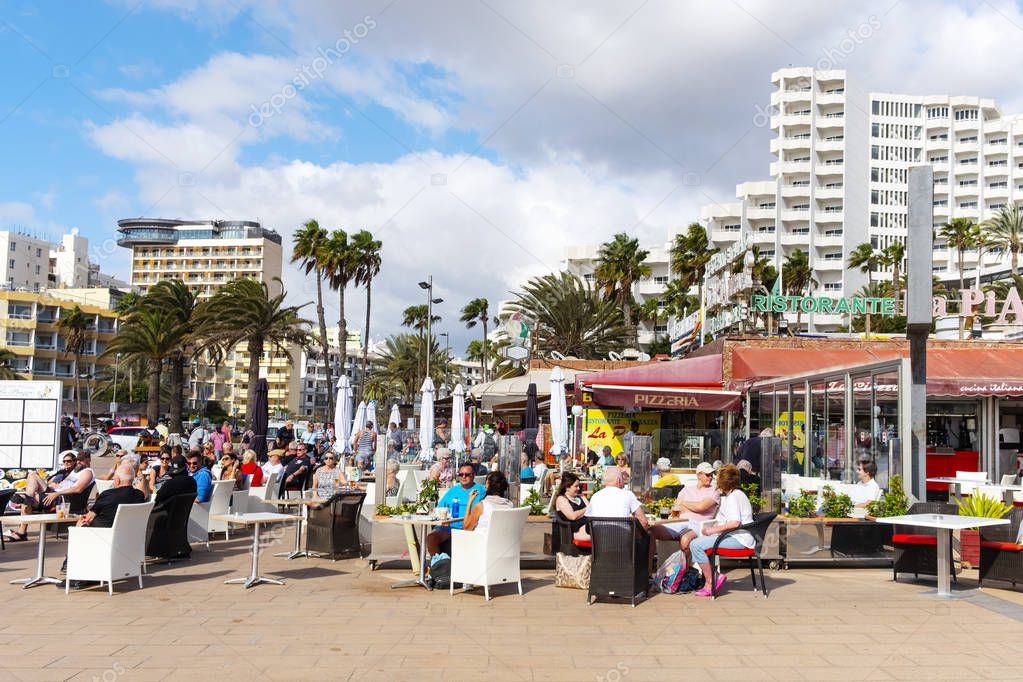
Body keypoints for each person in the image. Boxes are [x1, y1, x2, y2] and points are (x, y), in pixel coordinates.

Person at [64, 463, 146, 590]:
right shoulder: (139, 496)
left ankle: (79, 575)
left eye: (114, 478)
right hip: (128, 540)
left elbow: (89, 516)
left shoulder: (108, 494)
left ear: (117, 480)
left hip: (105, 537)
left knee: (80, 526)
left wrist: (81, 522)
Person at [689, 463, 755, 597]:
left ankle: (711, 580)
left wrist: (712, 531)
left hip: (740, 540)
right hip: (743, 537)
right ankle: (712, 577)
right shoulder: (739, 494)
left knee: (695, 545)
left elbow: (735, 522)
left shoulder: (733, 498)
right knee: (702, 543)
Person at [650, 461, 721, 561]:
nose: (710, 477)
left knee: (685, 540)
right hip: (679, 522)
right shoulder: (687, 489)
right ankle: (647, 574)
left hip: (699, 525)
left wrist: (683, 503)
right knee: (651, 531)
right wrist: (691, 506)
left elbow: (701, 507)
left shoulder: (714, 491)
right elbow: (676, 507)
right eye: (708, 475)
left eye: (711, 475)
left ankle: (684, 573)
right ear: (699, 475)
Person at [426, 462, 486, 554]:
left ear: (474, 475)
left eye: (467, 474)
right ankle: (438, 564)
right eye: (461, 474)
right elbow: (440, 508)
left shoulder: (481, 490)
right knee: (431, 537)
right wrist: (444, 520)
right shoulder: (453, 490)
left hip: (469, 528)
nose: (463, 477)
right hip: (449, 527)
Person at [554, 472, 590, 543]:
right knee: (601, 534)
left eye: (579, 486)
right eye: (576, 486)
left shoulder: (581, 496)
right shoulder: (562, 499)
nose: (578, 488)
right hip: (574, 531)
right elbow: (572, 516)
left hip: (586, 526)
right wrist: (586, 509)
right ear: (567, 487)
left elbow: (591, 511)